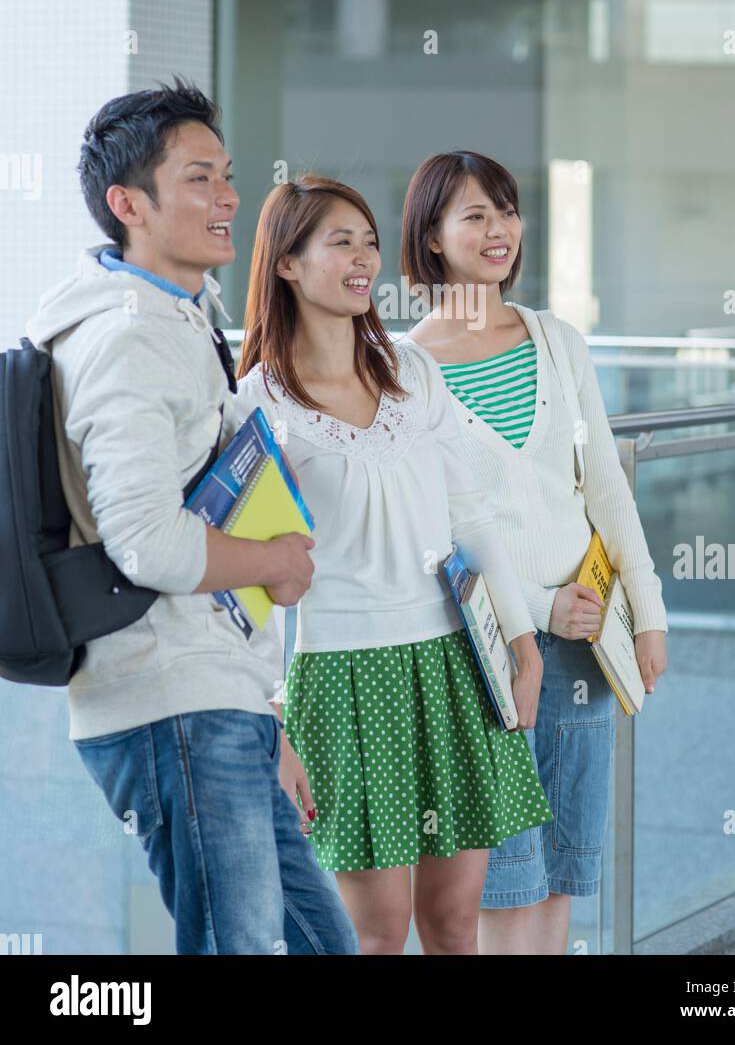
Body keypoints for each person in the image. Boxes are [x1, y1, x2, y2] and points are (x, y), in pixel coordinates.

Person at [26, 78, 357, 956]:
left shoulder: (176, 318)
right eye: (200, 179)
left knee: (320, 945)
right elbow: (150, 544)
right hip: (169, 700)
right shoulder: (126, 337)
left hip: (214, 697)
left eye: (228, 174)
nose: (229, 198)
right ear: (126, 203)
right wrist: (277, 562)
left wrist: (262, 716)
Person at [234, 173, 553, 956]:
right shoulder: (256, 405)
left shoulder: (412, 373)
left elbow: (470, 514)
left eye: (369, 241)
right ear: (285, 263)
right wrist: (271, 726)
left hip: (453, 660)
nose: (362, 258)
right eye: (339, 241)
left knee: (452, 927)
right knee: (375, 937)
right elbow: (245, 587)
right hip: (338, 679)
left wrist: (520, 642)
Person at [400, 150, 669, 956]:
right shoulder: (404, 368)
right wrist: (537, 605)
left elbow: (606, 490)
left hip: (589, 647)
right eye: (474, 215)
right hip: (484, 650)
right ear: (433, 236)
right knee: (500, 880)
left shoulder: (556, 340)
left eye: (506, 211)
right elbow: (426, 534)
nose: (498, 230)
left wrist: (648, 612)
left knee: (560, 870)